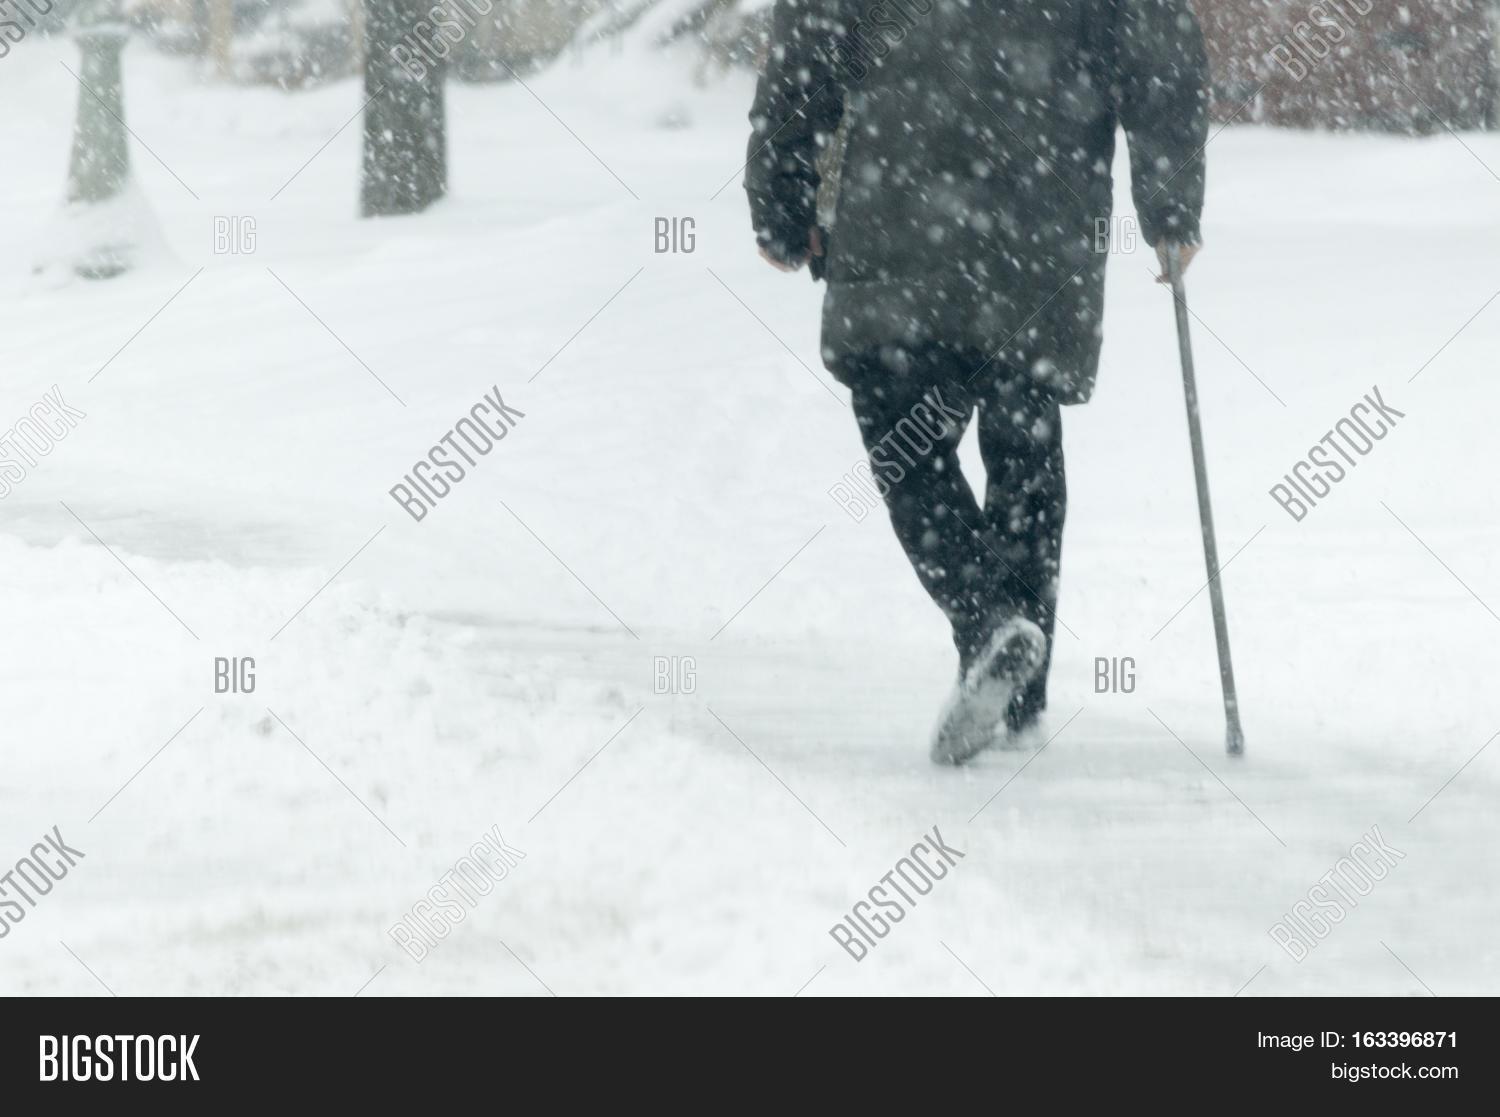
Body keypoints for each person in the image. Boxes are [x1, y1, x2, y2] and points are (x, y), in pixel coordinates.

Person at [745, 0, 1210, 764]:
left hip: (899, 192)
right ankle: (1016, 689)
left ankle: (989, 621)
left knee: (901, 426)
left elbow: (810, 46)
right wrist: (1169, 203)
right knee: (1020, 421)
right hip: (1043, 201)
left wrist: (783, 196)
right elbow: (1159, 46)